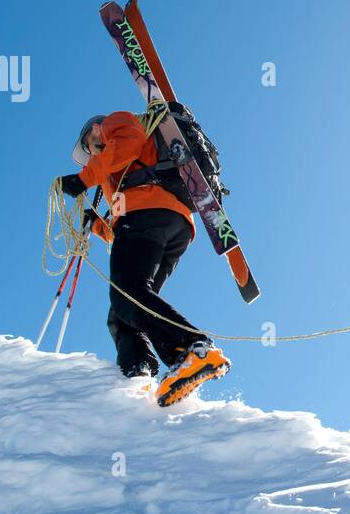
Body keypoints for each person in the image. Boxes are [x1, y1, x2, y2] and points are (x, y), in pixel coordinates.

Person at [58, 110, 229, 407]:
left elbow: (131, 141)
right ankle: (140, 375)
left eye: (88, 143)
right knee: (124, 309)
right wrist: (98, 224)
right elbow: (125, 227)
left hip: (147, 215)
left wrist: (83, 179)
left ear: (95, 129)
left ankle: (194, 348)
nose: (90, 151)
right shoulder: (114, 171)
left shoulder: (115, 124)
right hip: (168, 224)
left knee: (128, 294)